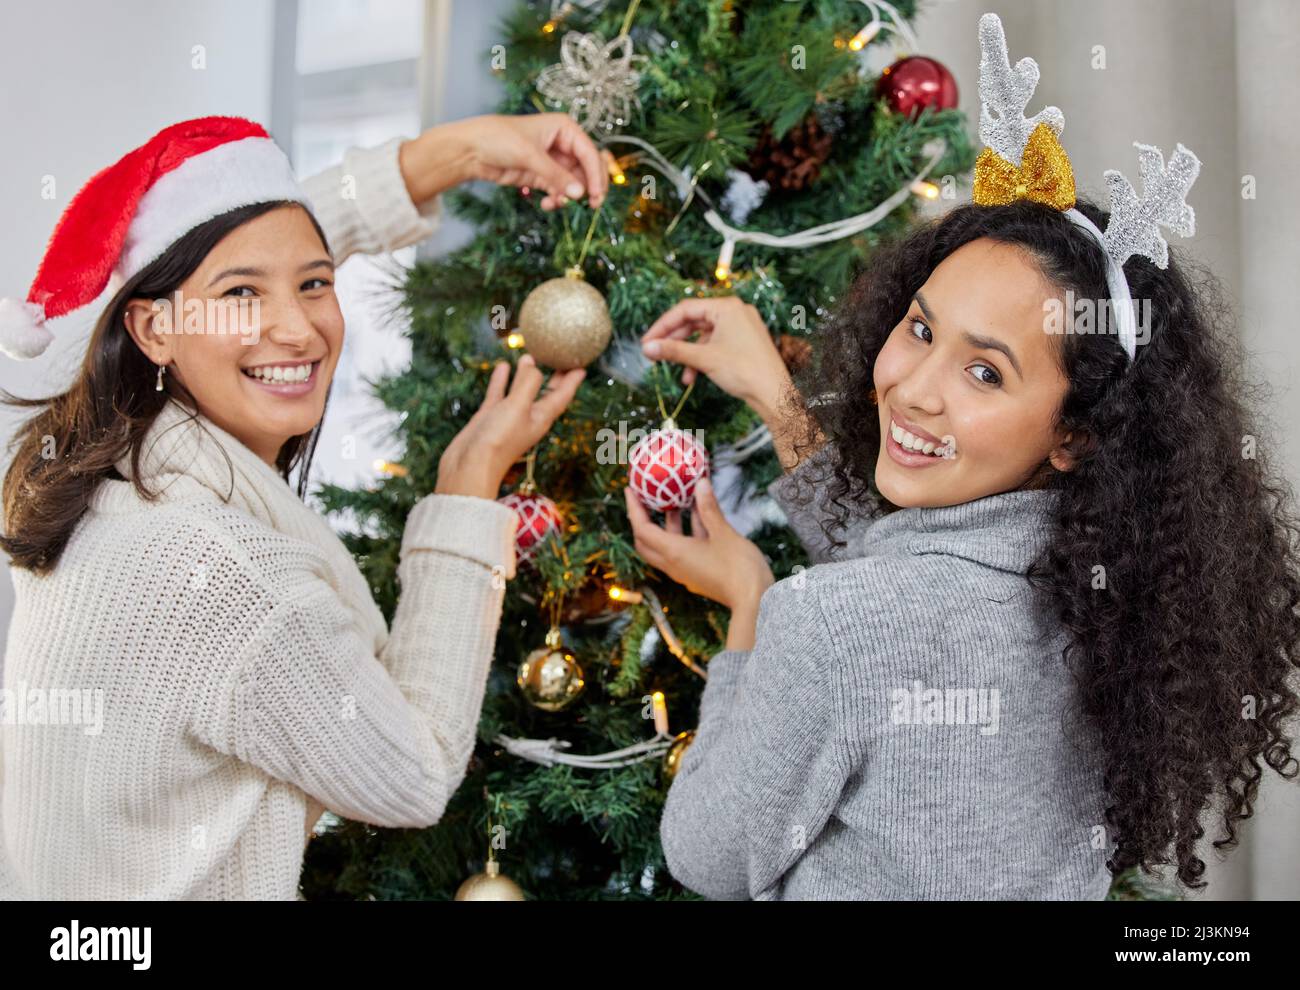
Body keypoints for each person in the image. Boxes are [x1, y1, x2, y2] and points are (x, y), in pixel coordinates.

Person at [630, 15, 1300, 900]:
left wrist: (752, 604)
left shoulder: (828, 626)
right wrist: (778, 399)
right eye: (920, 329)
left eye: (986, 371)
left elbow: (709, 855)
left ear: (1074, 432)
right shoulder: (1114, 600)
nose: (912, 389)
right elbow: (922, 587)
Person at [0, 112, 605, 899]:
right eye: (242, 293)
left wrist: (448, 156)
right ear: (152, 327)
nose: (299, 328)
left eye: (316, 284)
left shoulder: (70, 467)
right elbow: (414, 773)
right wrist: (466, 490)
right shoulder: (218, 574)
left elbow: (227, 243)